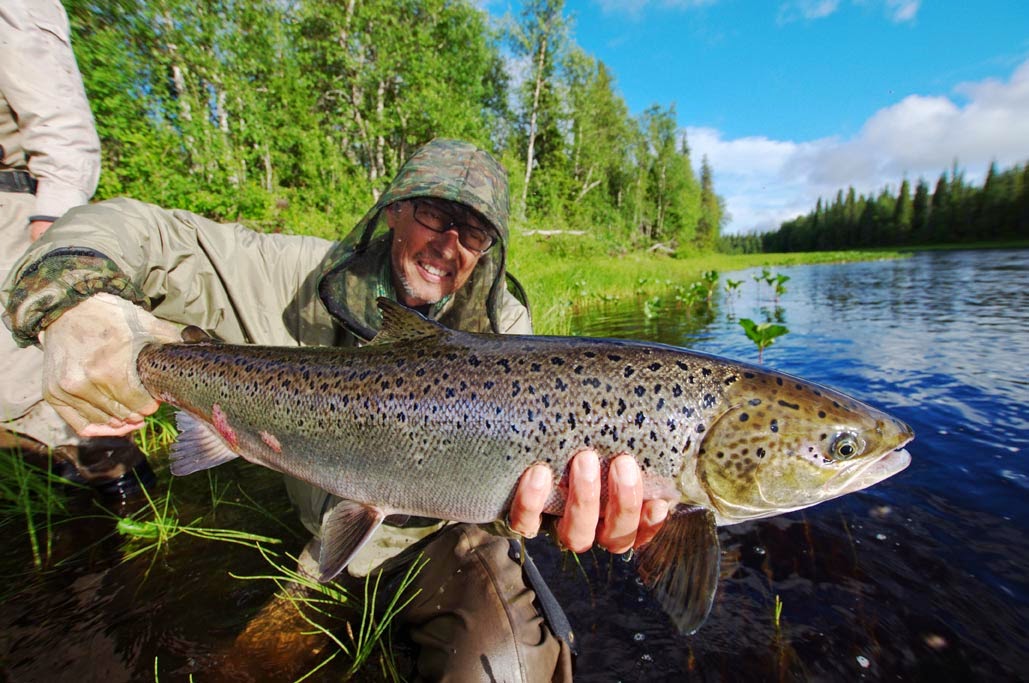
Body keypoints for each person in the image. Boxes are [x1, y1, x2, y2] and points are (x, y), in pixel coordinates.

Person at [1, 138, 669, 680]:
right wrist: (75, 299)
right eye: (434, 213)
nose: (447, 244)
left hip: (435, 540)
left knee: (510, 670)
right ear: (393, 211)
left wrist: (559, 517)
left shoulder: (514, 345)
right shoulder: (290, 274)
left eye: (472, 232)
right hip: (317, 536)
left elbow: (531, 492)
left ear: (487, 250)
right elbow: (136, 225)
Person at [0, 0, 151, 497]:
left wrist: (55, 223)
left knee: (47, 398)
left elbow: (59, 116)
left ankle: (122, 499)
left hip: (14, 211)